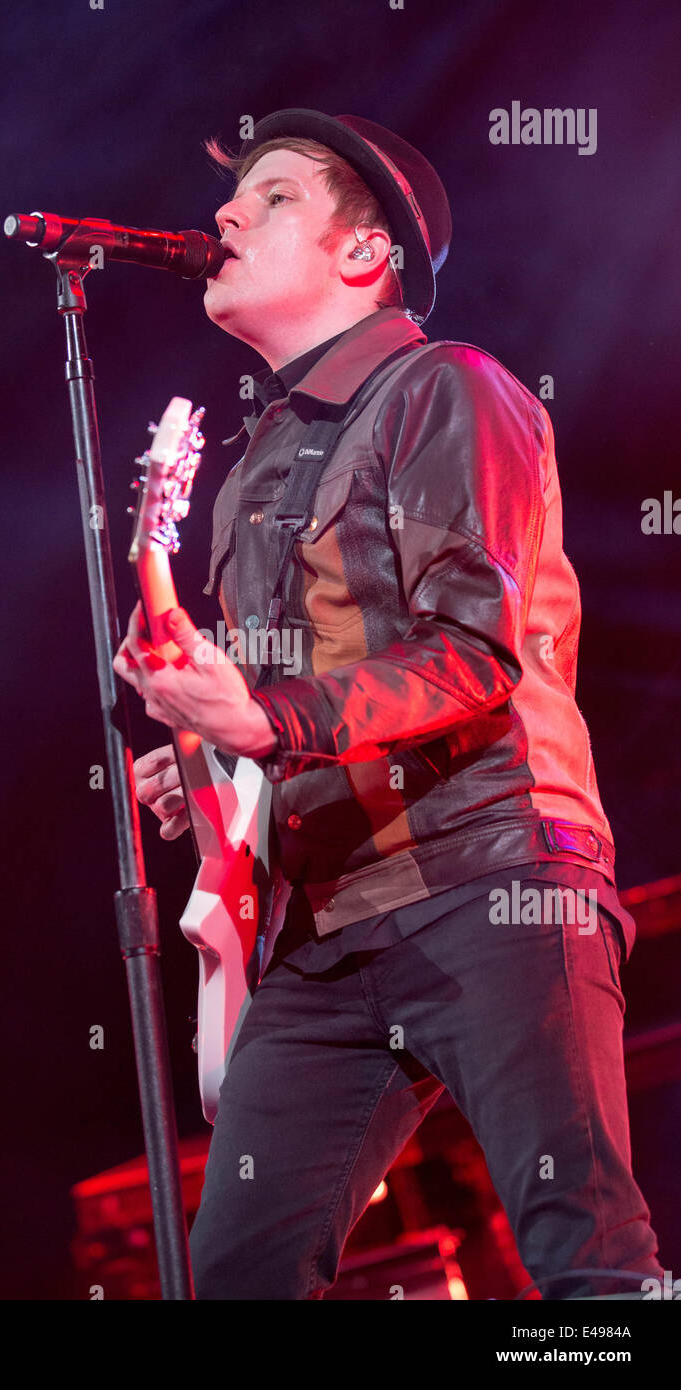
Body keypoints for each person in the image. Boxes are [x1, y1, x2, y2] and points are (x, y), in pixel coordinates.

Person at [113, 108, 665, 1301]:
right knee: (238, 1279)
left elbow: (471, 656)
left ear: (364, 255)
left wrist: (263, 720)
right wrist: (216, 762)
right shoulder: (249, 473)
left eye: (270, 200)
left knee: (589, 1267)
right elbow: (303, 698)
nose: (224, 217)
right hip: (320, 927)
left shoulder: (448, 389)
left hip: (490, 879)